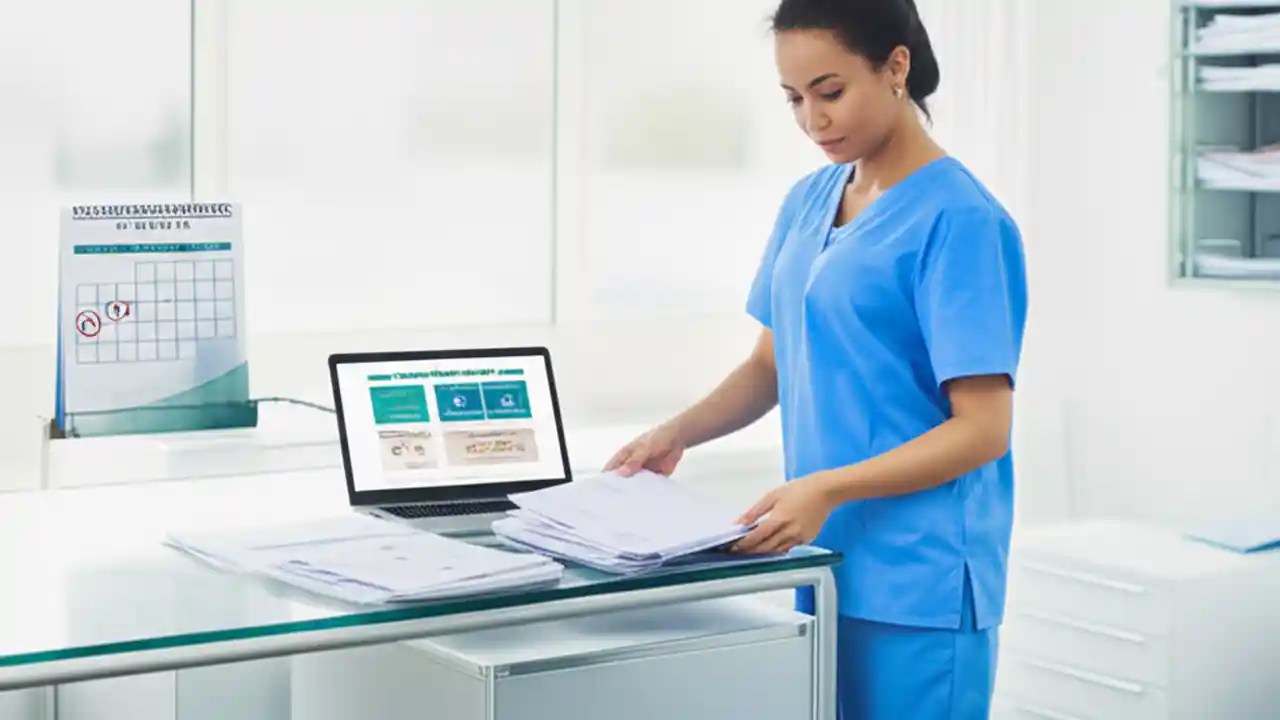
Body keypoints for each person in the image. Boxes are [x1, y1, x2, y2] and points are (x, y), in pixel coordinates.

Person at [604, 0, 1028, 716]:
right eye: (794, 99)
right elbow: (770, 366)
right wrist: (676, 433)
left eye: (830, 92)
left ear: (896, 66)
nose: (813, 120)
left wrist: (826, 489)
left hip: (920, 580)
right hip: (828, 562)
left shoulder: (963, 222)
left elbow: (983, 429)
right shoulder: (810, 200)